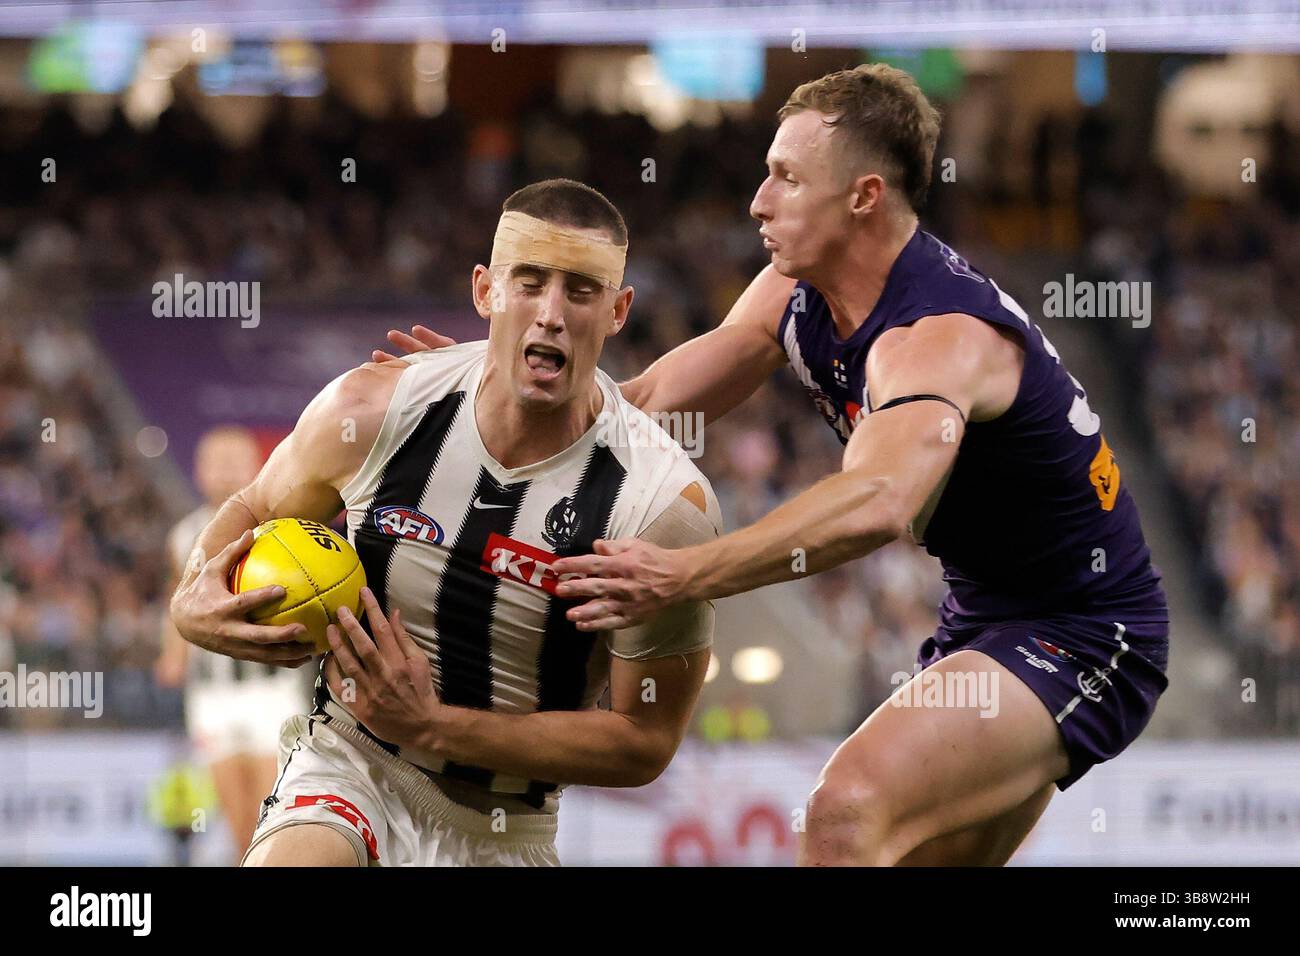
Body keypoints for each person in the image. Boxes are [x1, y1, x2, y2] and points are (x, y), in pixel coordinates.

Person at [377, 64, 1170, 866]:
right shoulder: (792, 292)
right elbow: (641, 406)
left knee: (843, 815)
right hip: (982, 620)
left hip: (1085, 633)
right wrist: (493, 389)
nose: (758, 200)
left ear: (863, 196)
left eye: (787, 177)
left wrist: (687, 575)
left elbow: (877, 501)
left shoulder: (939, 338)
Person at [169, 179, 720, 866]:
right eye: (529, 282)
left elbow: (644, 741)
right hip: (351, 766)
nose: (550, 313)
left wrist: (437, 725)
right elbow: (256, 505)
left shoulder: (663, 507)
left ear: (618, 310)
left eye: (580, 290)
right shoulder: (374, 407)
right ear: (485, 290)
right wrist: (194, 596)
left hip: (506, 830)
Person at [155, 425, 309, 861]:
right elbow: (176, 598)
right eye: (215, 464)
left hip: (271, 688)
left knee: (272, 811)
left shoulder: (278, 530)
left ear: (257, 467)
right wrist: (173, 655)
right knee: (235, 819)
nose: (223, 474)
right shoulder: (183, 535)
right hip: (211, 695)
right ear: (198, 470)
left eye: (233, 463)